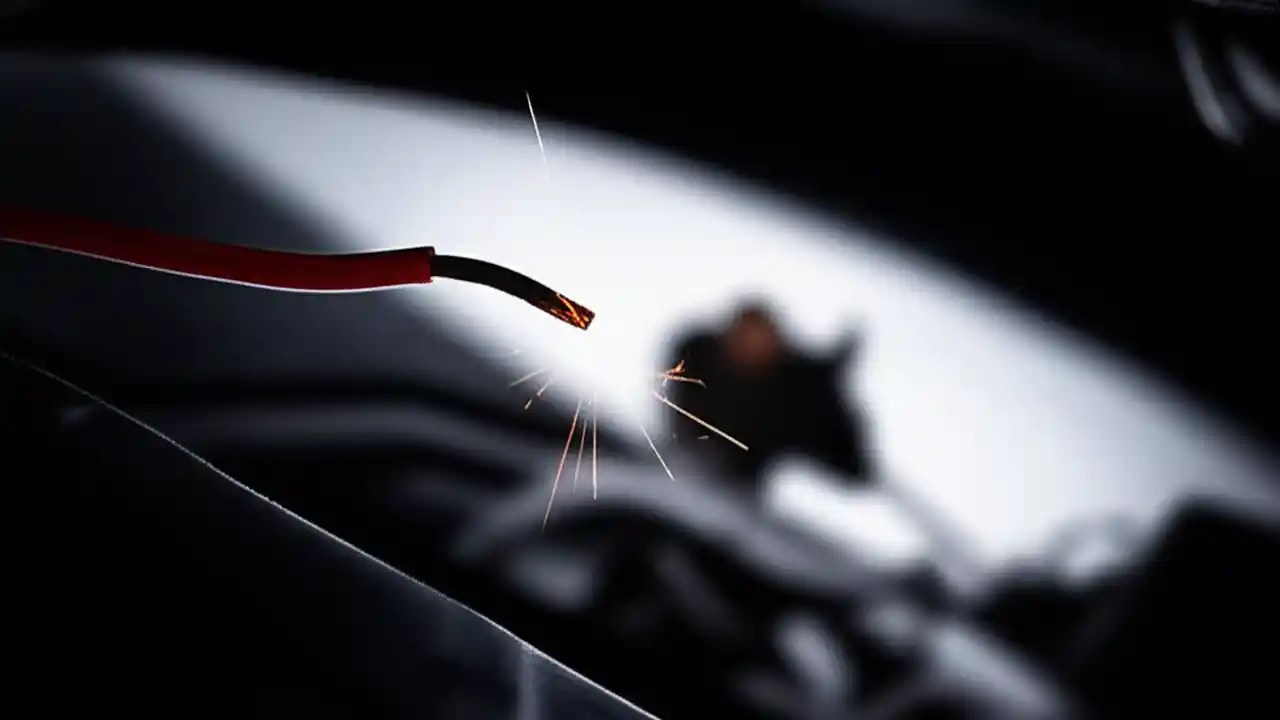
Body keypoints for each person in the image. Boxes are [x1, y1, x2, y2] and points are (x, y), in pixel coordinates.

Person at [661, 300, 876, 502]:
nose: (752, 348)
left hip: (741, 495)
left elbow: (846, 461)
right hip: (684, 469)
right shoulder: (698, 357)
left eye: (761, 341)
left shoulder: (794, 395)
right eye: (746, 338)